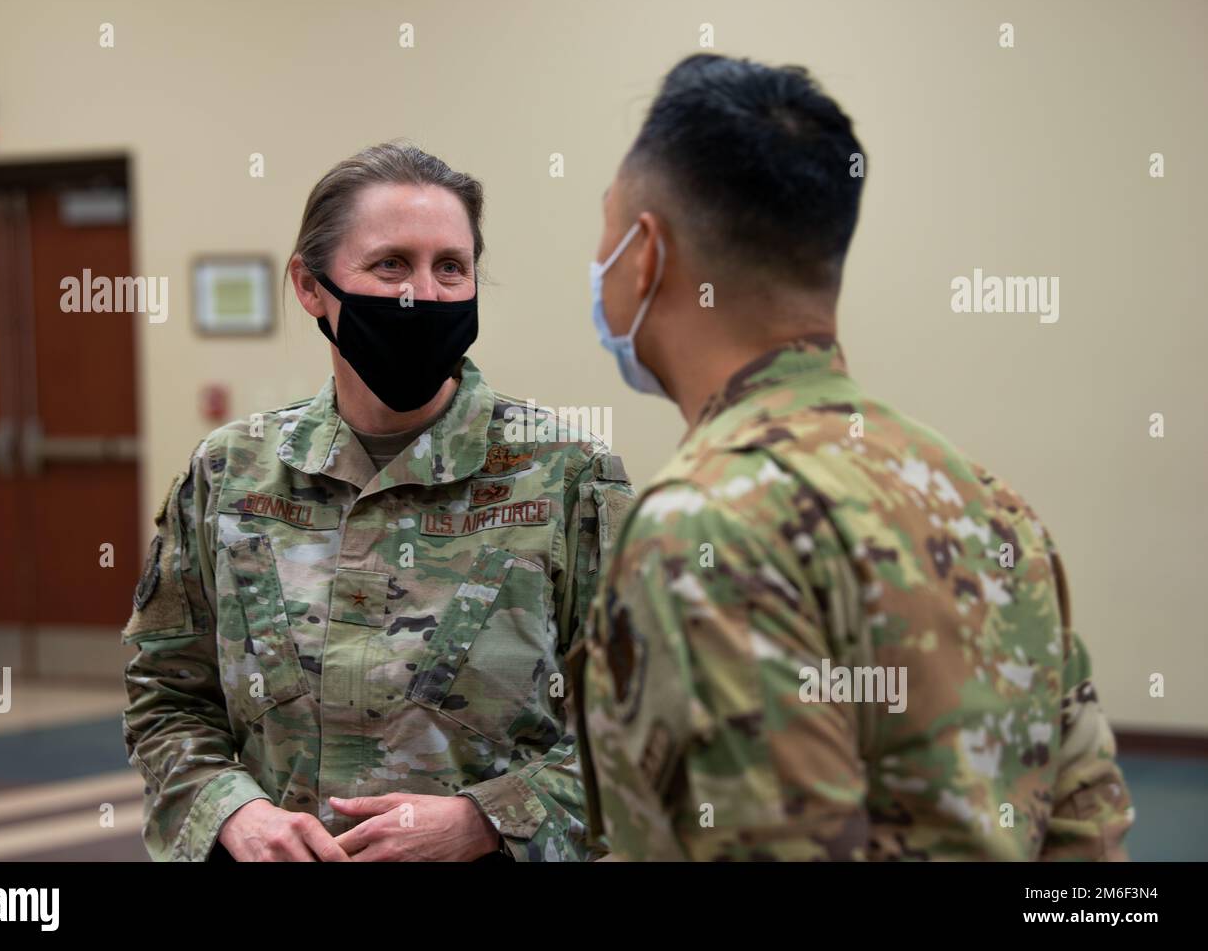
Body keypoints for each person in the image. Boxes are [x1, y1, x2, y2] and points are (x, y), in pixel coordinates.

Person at [571, 54, 1134, 860]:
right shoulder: (989, 503)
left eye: (605, 226)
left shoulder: (701, 527)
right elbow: (1090, 840)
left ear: (645, 254)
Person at [121, 141, 634, 861]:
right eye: (391, 263)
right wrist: (234, 812)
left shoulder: (567, 477)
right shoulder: (231, 473)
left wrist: (486, 820)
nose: (422, 294)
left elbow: (644, 737)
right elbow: (167, 697)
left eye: (450, 267)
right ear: (310, 286)